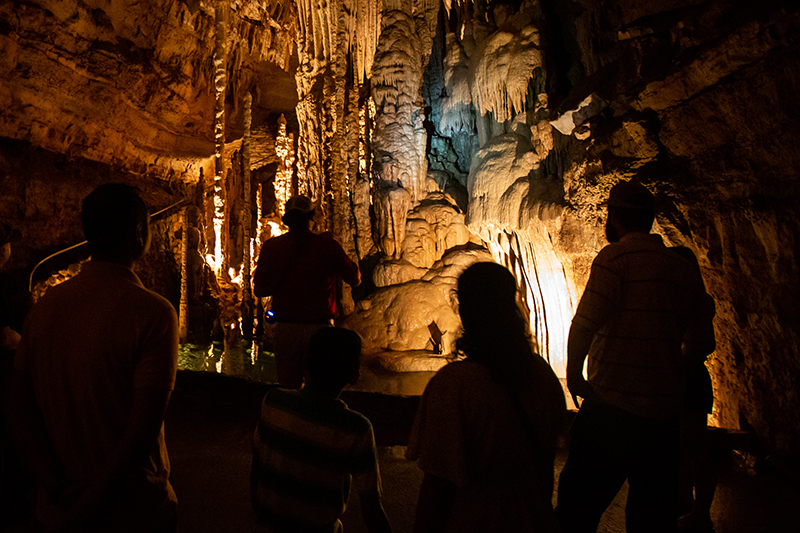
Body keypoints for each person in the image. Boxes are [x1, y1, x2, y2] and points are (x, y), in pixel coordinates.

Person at [6, 183, 179, 532]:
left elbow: (18, 410)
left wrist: (56, 486)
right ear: (139, 233)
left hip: (58, 506)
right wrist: (88, 506)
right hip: (131, 510)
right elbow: (139, 435)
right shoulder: (154, 314)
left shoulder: (43, 310)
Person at [555, 180, 716, 533]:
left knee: (577, 509)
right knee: (652, 518)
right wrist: (666, 369)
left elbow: (584, 323)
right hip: (662, 420)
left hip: (611, 409)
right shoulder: (681, 268)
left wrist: (575, 375)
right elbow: (703, 341)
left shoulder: (615, 259)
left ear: (614, 217)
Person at [407, 261, 567, 533]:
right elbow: (545, 466)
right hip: (533, 517)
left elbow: (438, 485)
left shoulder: (454, 385)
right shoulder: (543, 375)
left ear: (465, 310)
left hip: (474, 518)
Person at [251, 327, 392, 533]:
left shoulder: (273, 402)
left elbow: (257, 465)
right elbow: (371, 507)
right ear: (354, 376)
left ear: (305, 362)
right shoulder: (356, 429)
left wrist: (259, 513)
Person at [253, 195, 361, 388]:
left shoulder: (272, 247)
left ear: (287, 220)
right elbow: (355, 279)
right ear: (313, 217)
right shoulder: (327, 246)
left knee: (288, 389)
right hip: (320, 331)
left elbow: (259, 290)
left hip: (285, 328)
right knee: (320, 389)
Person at [671, 247, 718, 533]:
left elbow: (699, 345)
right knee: (689, 448)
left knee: (693, 448)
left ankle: (697, 510)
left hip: (687, 379)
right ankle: (688, 505)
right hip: (694, 378)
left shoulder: (691, 302)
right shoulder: (701, 300)